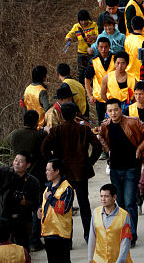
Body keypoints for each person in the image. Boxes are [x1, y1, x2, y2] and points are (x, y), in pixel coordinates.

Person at [43, 103, 103, 242]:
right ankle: (89, 236)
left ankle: (67, 238)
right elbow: (97, 147)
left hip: (62, 173)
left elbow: (44, 148)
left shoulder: (57, 131)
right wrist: (90, 162)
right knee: (84, 204)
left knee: (64, 205)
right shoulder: (83, 129)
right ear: (76, 113)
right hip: (80, 171)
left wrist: (53, 163)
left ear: (61, 115)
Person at [98, 97, 144, 229]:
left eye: (116, 110)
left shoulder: (132, 121)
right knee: (120, 202)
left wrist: (140, 148)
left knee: (130, 202)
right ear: (107, 112)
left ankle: (132, 234)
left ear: (121, 109)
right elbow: (100, 136)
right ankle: (123, 230)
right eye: (110, 111)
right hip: (115, 168)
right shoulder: (105, 125)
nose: (113, 113)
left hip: (131, 167)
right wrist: (107, 150)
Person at [87, 183, 135, 263]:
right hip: (99, 260)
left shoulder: (124, 215)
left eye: (106, 196)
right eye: (101, 196)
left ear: (114, 197)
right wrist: (90, 258)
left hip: (118, 260)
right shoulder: (96, 212)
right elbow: (92, 236)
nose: (103, 199)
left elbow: (125, 242)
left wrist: (120, 261)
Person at [39, 158, 75, 263]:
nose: (46, 172)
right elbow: (48, 206)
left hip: (60, 233)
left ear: (57, 171)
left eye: (48, 170)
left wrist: (50, 198)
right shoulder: (48, 187)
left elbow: (63, 209)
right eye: (46, 170)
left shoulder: (66, 188)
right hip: (48, 231)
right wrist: (41, 210)